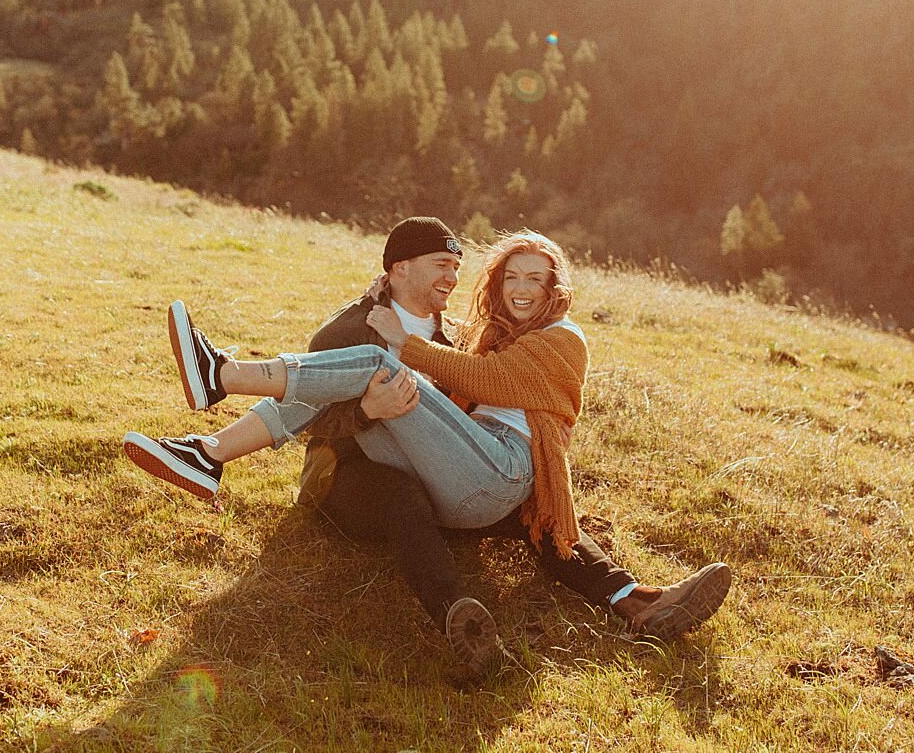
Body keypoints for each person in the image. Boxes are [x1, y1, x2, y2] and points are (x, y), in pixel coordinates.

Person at [124, 218, 731, 676]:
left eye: (458, 267)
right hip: (354, 468)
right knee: (372, 391)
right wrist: (368, 410)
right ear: (398, 270)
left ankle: (216, 403)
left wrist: (403, 355)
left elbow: (481, 383)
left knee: (536, 508)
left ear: (554, 288)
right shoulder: (353, 327)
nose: (452, 277)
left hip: (473, 471)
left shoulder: (480, 340)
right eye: (441, 264)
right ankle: (207, 445)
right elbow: (319, 421)